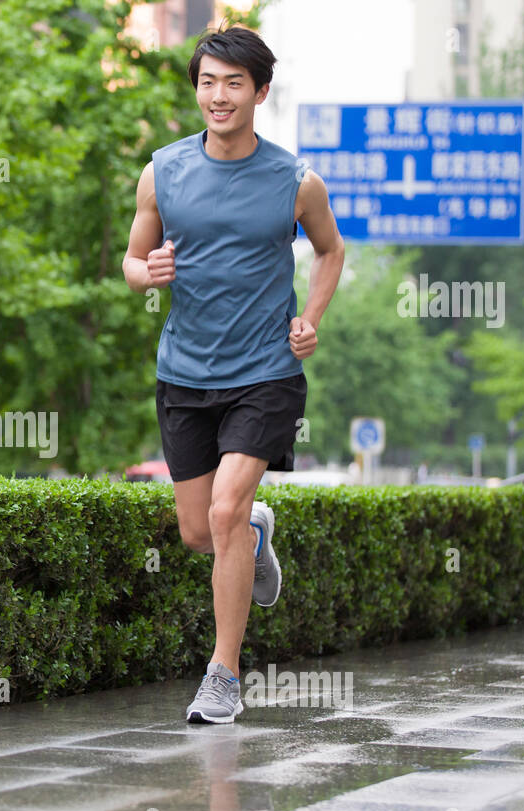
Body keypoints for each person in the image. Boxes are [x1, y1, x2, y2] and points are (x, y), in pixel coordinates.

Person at [121, 25, 345, 723]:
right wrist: (145, 272)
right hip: (185, 373)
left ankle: (223, 675)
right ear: (197, 89)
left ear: (260, 92)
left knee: (224, 509)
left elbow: (331, 251)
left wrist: (310, 317)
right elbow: (132, 260)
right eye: (208, 82)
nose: (219, 96)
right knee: (199, 532)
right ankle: (253, 534)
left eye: (233, 83)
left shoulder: (295, 181)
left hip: (265, 372)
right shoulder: (162, 171)